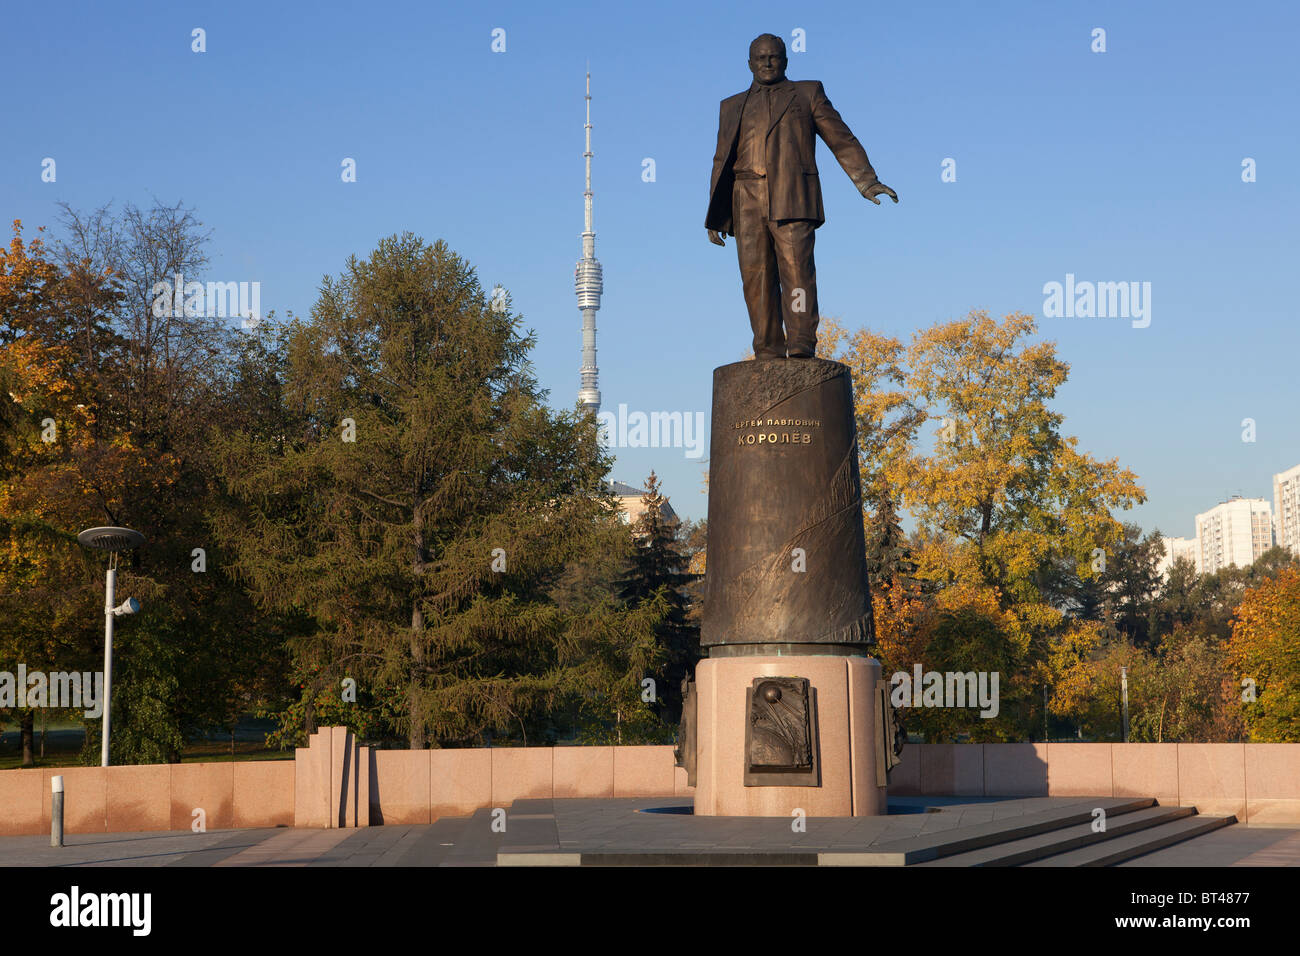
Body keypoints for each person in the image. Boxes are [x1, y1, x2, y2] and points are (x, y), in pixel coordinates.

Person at [706, 34, 898, 359]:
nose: (768, 63)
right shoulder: (731, 106)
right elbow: (721, 158)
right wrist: (716, 212)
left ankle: (800, 341)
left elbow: (841, 138)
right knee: (755, 279)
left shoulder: (807, 93)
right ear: (749, 64)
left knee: (796, 273)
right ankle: (766, 348)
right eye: (761, 58)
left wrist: (867, 181)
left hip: (791, 195)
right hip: (745, 198)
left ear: (785, 60)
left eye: (774, 57)